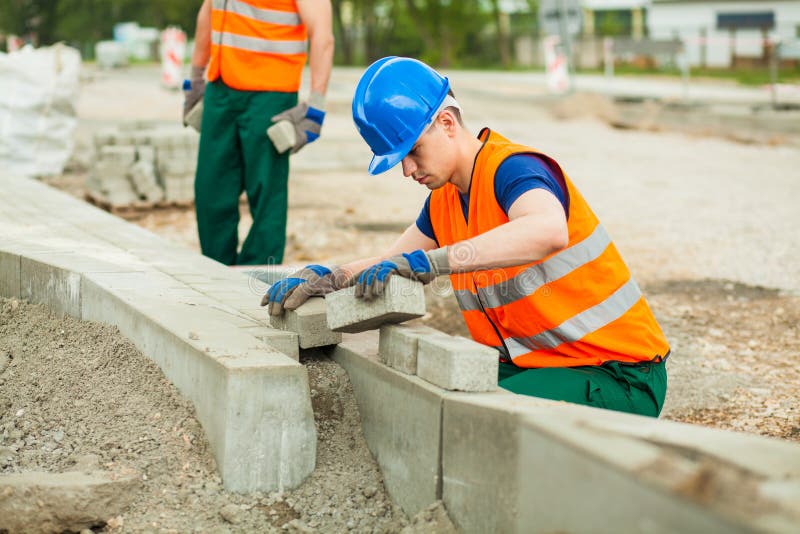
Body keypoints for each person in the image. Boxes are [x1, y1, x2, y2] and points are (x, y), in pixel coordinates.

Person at [264, 56, 670, 417]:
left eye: (413, 151)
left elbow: (547, 229)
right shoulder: (444, 201)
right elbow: (394, 262)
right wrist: (329, 278)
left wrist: (436, 262)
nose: (407, 170)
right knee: (436, 395)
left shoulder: (513, 169)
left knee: (477, 415)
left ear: (446, 123)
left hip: (617, 373)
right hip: (544, 365)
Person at [184, 0, 334, 265]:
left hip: (270, 93)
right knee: (210, 190)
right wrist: (196, 76)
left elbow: (322, 33)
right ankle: (216, 270)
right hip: (220, 86)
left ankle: (258, 276)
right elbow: (209, 10)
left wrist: (316, 105)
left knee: (267, 194)